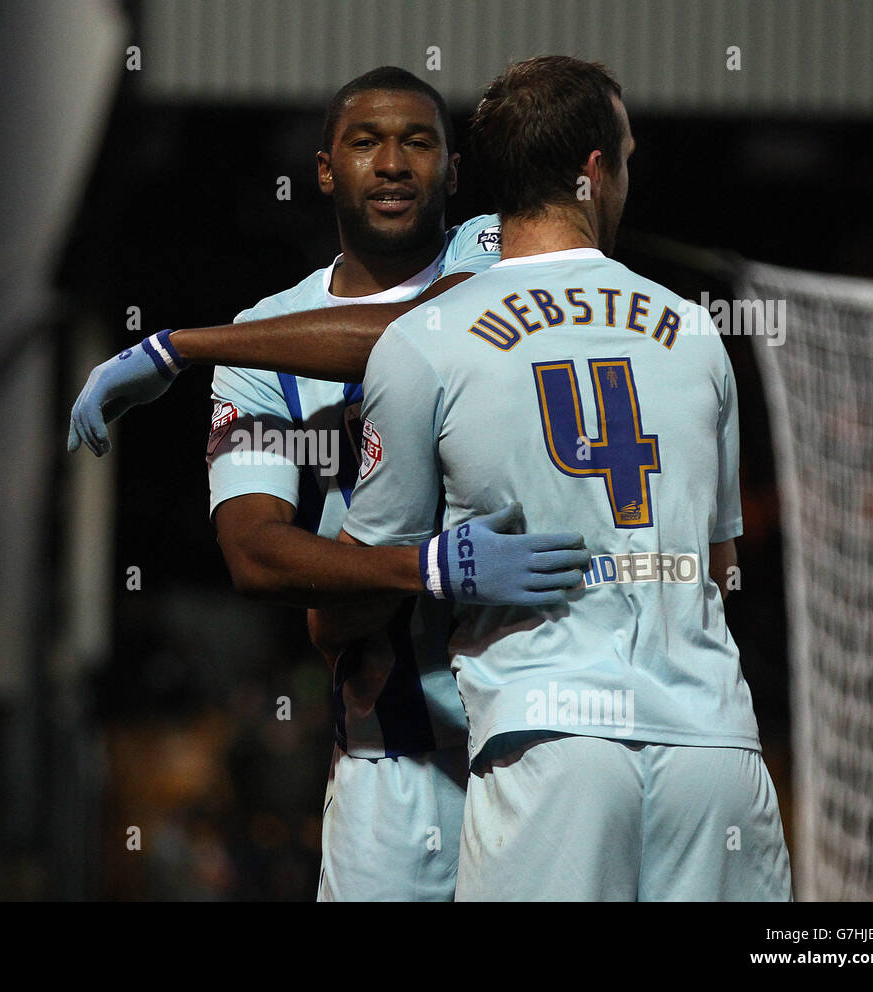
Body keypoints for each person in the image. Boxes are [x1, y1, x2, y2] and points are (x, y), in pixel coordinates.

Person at [75, 66, 590, 900]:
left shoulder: (495, 254)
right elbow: (255, 555)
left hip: (543, 738)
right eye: (365, 142)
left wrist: (181, 346)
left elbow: (420, 334)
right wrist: (427, 569)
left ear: (453, 172)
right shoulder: (260, 343)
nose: (391, 163)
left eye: (418, 143)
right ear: (324, 169)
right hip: (389, 763)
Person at [312, 55, 793, 900]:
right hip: (712, 749)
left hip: (549, 745)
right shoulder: (693, 332)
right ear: (594, 172)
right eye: (628, 159)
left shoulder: (425, 341)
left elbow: (350, 605)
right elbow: (719, 572)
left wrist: (411, 573)